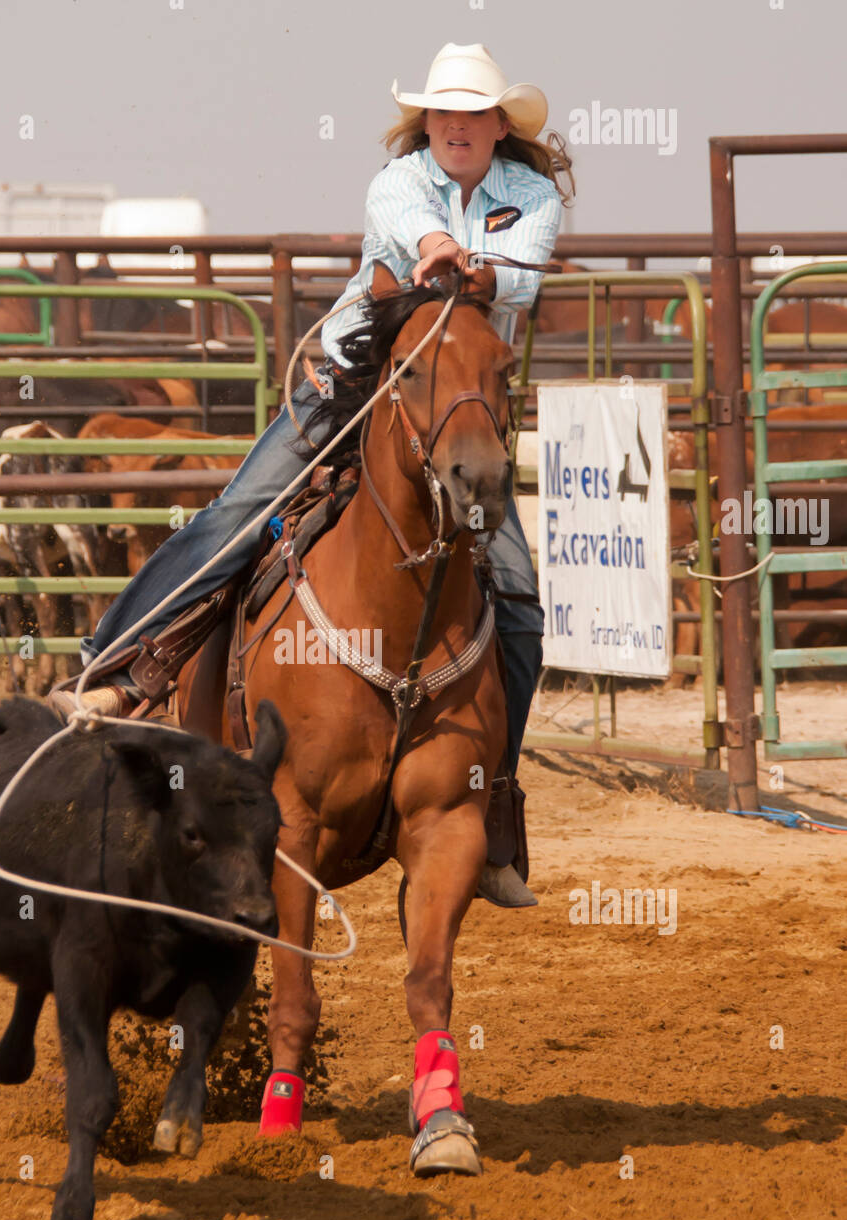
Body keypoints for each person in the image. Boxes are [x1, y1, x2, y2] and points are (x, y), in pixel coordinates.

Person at [54, 42, 574, 907]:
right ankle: (107, 664)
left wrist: (473, 272)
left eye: (470, 111)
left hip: (453, 408)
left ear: (496, 126)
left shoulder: (533, 199)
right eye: (440, 111)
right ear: (427, 123)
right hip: (352, 390)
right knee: (235, 518)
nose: (454, 124)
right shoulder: (399, 181)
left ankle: (496, 804)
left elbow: (514, 284)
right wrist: (447, 249)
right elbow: (419, 233)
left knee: (516, 606)